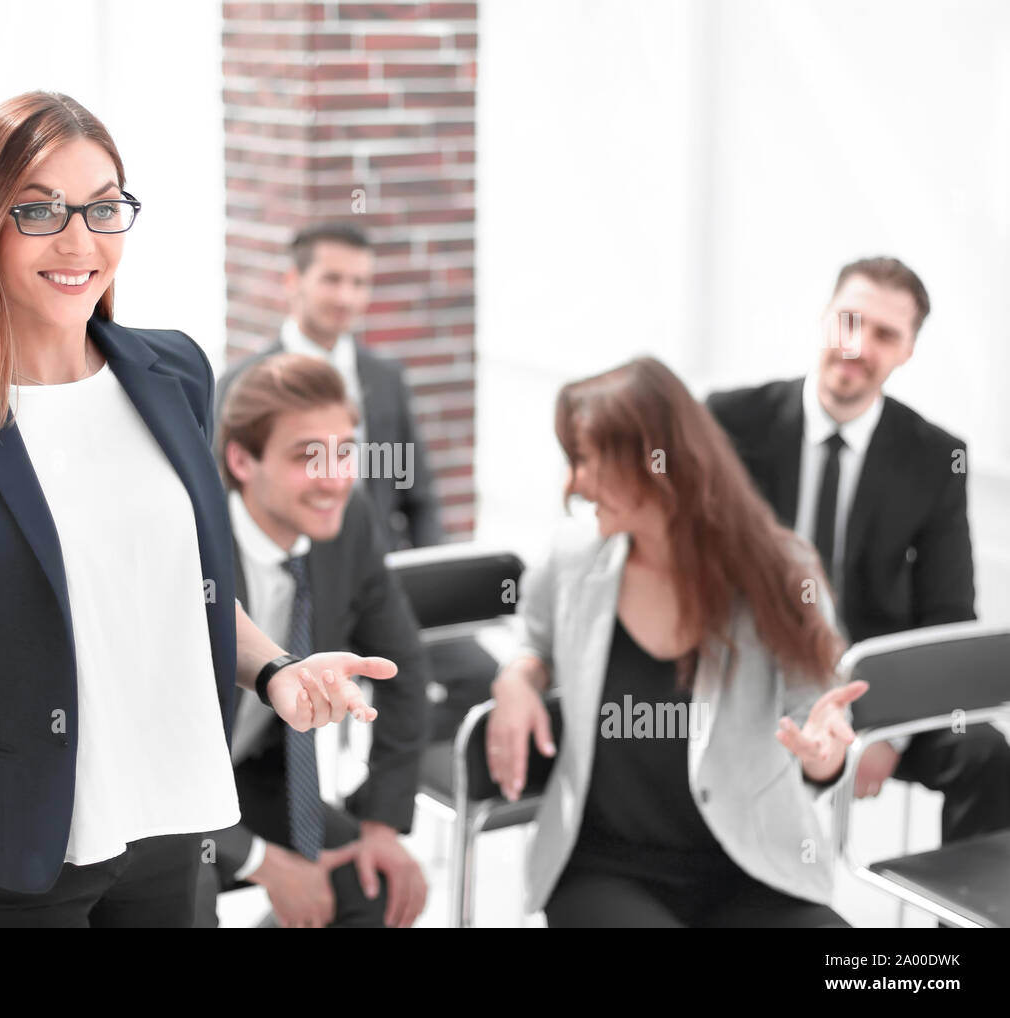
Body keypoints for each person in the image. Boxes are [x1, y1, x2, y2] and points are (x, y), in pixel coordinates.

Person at [0, 91, 395, 929]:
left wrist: (277, 671)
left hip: (171, 827)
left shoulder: (174, 374)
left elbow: (178, 591)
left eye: (104, 207)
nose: (79, 241)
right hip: (11, 855)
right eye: (38, 209)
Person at [487, 357, 865, 928]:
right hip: (606, 869)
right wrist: (517, 677)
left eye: (586, 460)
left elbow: (817, 713)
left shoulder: (782, 569)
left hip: (752, 866)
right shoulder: (572, 556)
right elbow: (533, 638)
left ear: (653, 463)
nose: (573, 484)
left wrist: (824, 751)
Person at [706, 256, 1010, 842]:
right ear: (824, 320)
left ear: (908, 351)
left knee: (987, 755)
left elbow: (948, 615)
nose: (857, 346)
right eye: (849, 321)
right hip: (749, 671)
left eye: (884, 334)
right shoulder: (731, 420)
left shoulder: (936, 457)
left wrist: (889, 733)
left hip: (869, 692)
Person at [195, 353, 431, 928]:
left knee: (372, 885)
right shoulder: (195, 545)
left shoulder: (348, 522)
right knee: (189, 903)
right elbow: (149, 750)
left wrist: (379, 825)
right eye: (307, 456)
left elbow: (404, 672)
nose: (334, 478)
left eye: (344, 452)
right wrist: (266, 865)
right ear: (241, 460)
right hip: (169, 799)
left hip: (252, 773)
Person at [214, 222, 443, 553]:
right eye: (332, 279)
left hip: (377, 574)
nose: (346, 297)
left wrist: (427, 580)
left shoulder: (385, 379)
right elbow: (222, 498)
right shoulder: (242, 383)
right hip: (288, 572)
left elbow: (417, 496)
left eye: (359, 283)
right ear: (294, 281)